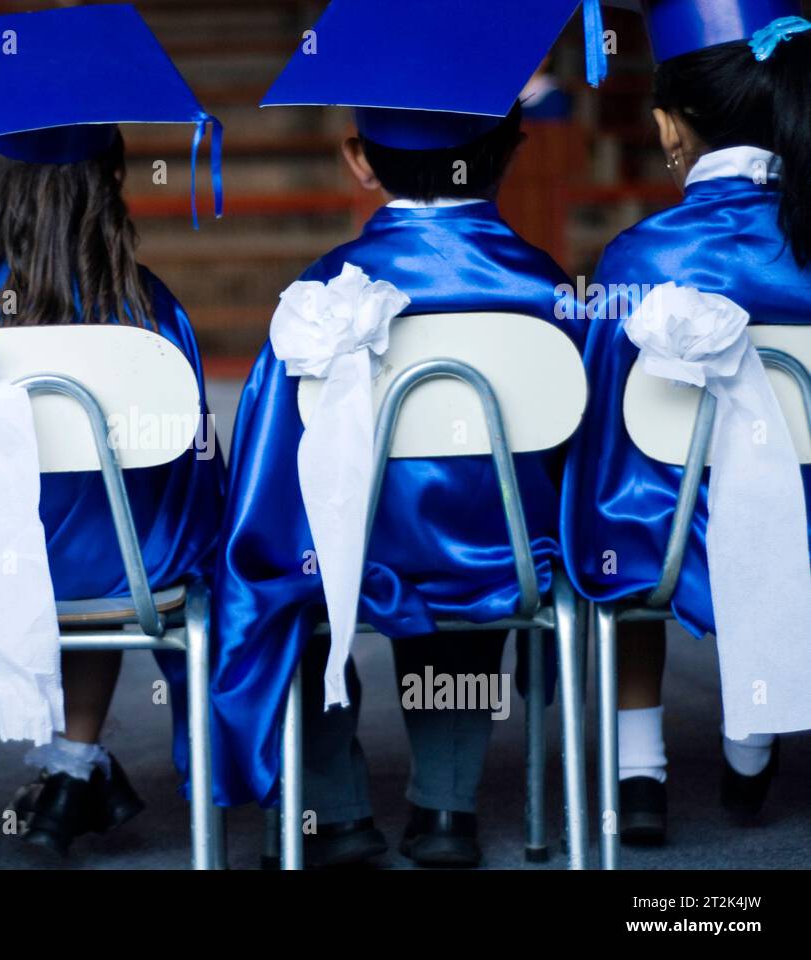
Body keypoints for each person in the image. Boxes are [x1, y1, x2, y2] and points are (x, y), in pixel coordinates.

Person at [210, 0, 593, 869]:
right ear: (515, 144)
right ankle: (448, 810)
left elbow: (270, 491)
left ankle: (338, 813)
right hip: (503, 558)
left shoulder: (318, 300)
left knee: (294, 584)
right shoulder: (551, 293)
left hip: (350, 556)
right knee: (489, 552)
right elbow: (585, 457)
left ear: (359, 160)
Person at [0, 5, 226, 857]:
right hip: (129, 574)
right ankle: (71, 761)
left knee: (44, 536)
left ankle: (65, 765)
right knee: (109, 532)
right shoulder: (147, 311)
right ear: (107, 177)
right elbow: (186, 475)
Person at [563, 0, 811, 845]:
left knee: (620, 492)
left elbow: (592, 422)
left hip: (660, 537)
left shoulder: (641, 257)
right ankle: (751, 746)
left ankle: (639, 771)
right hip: (808, 523)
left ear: (671, 130)